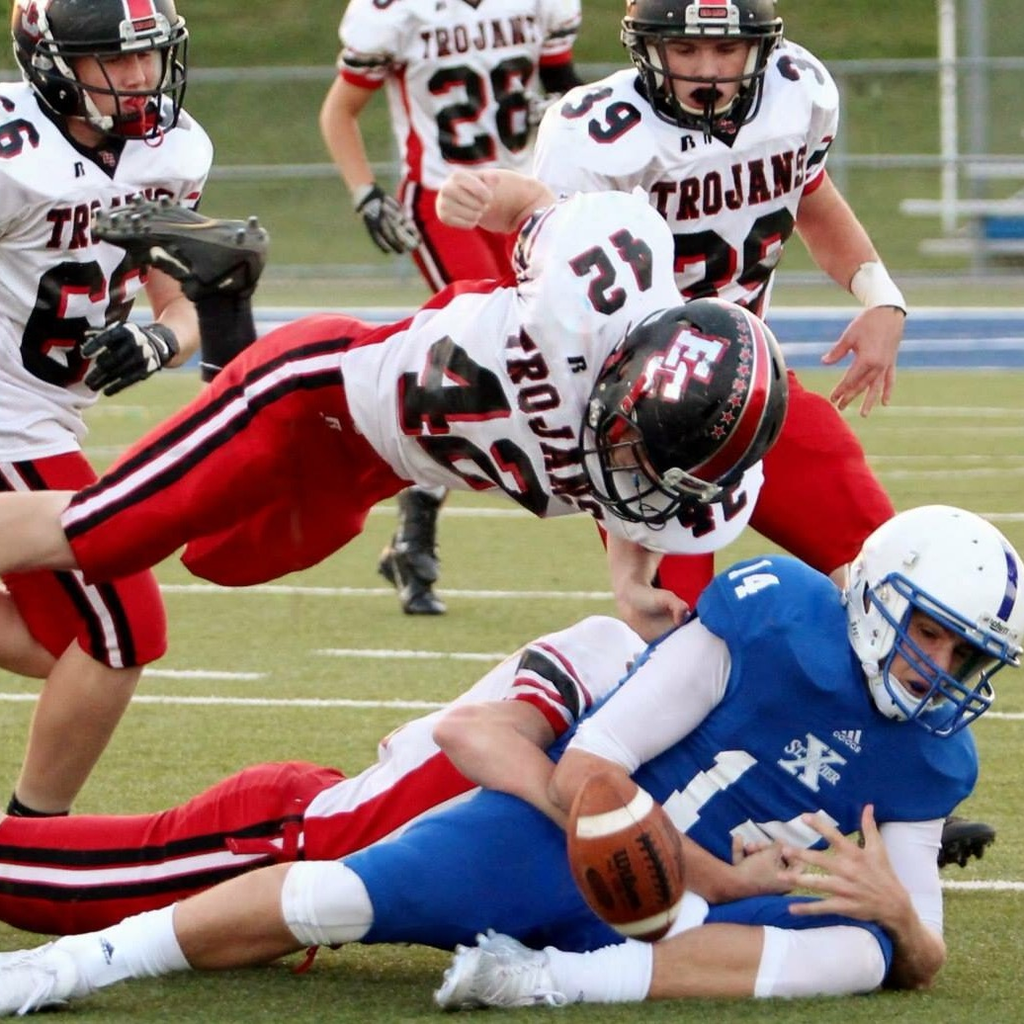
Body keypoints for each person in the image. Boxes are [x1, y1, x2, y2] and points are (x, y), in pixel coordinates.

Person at [0, 505, 1019, 1016]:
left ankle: (559, 981)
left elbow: (916, 955)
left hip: (661, 887)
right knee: (326, 899)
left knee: (857, 948)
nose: (942, 671)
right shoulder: (755, 622)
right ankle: (81, 960)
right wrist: (707, 871)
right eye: (932, 637)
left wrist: (887, 911)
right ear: (878, 599)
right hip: (539, 835)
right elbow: (546, 763)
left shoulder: (931, 753)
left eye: (966, 655)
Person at [531, 0, 994, 869]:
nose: (708, 68)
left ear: (761, 48)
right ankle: (636, 819)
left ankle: (884, 803)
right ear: (647, 47)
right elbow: (561, 303)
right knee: (671, 638)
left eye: (726, 47)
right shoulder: (594, 136)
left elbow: (808, 196)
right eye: (689, 47)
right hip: (652, 417)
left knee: (891, 583)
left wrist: (879, 293)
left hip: (761, 393)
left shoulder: (798, 94)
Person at [0, 170, 789, 648]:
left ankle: (222, 293)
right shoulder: (598, 275)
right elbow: (538, 202)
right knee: (107, 533)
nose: (635, 474)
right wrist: (483, 197)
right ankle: (224, 304)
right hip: (314, 389)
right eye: (633, 444)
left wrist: (628, 582)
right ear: (625, 372)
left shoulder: (680, 468)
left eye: (654, 465)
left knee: (219, 557)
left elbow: (631, 499)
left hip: (371, 469)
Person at [0, 615, 641, 936]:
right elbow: (468, 734)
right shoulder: (616, 650)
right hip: (283, 837)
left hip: (326, 846)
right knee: (52, 884)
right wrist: (602, 827)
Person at [0, 0, 214, 820]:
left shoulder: (175, 148)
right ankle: (33, 838)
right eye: (113, 61)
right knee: (124, 630)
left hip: (50, 414)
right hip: (11, 413)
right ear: (53, 65)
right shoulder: (16, 154)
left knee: (69, 646)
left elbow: (178, 300)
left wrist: (161, 343)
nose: (138, 78)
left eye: (148, 57)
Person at [320, 0, 585, 614]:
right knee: (493, 358)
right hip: (447, 203)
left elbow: (560, 82)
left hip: (527, 195)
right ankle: (415, 527)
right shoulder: (394, 11)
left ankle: (413, 531)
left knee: (544, 356)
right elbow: (340, 109)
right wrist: (366, 195)